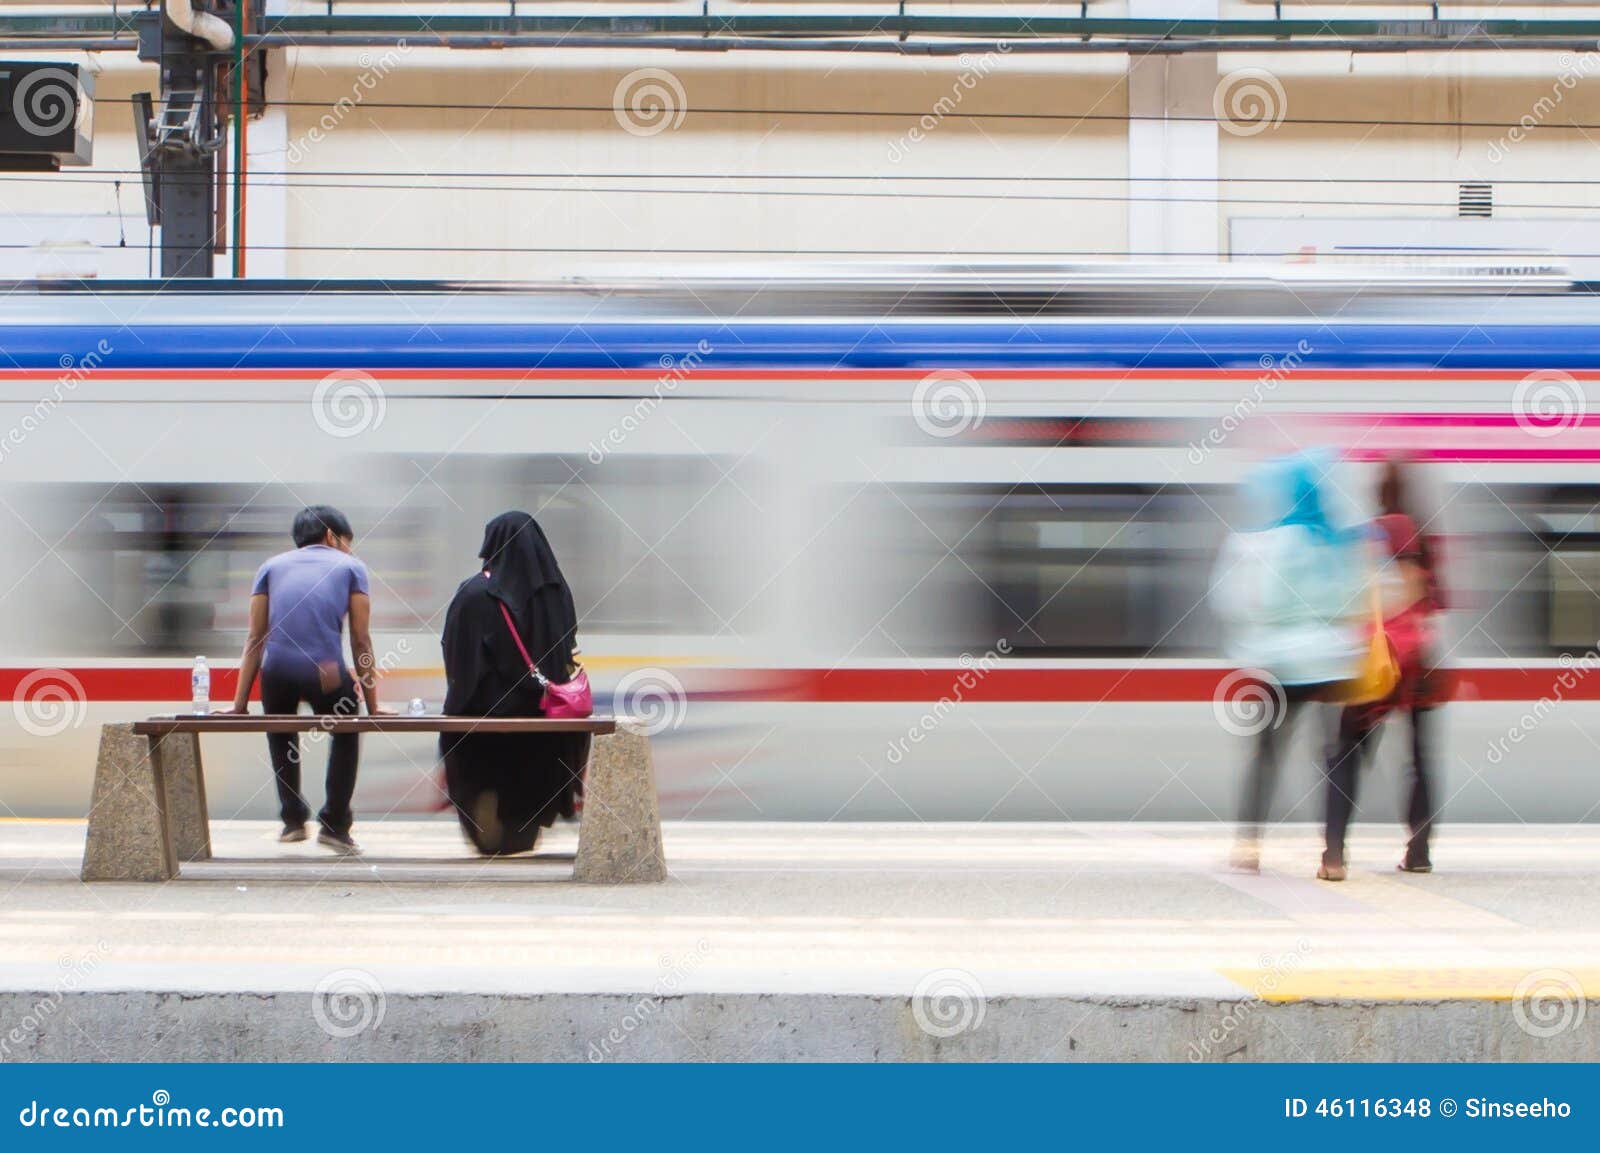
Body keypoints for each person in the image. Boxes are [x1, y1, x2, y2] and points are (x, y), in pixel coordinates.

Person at [1211, 450, 1365, 874]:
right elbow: (1362, 599)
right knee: (1337, 757)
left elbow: (1235, 601)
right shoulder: (1341, 541)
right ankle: (1334, 856)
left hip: (1278, 663)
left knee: (1266, 754)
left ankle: (1249, 846)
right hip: (1335, 662)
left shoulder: (1261, 544)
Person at [227, 505, 388, 854]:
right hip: (326, 672)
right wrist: (373, 707)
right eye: (347, 541)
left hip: (276, 674)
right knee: (346, 731)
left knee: (281, 734)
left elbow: (255, 638)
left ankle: (292, 820)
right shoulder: (352, 567)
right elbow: (361, 640)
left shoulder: (269, 567)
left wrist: (239, 706)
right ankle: (335, 824)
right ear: (332, 535)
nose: (348, 549)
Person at [1321, 457, 1447, 880]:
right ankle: (1420, 850)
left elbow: (1349, 595)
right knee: (1419, 759)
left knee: (1346, 756)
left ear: (1378, 493)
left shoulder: (1368, 535)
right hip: (1416, 664)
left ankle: (1334, 856)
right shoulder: (1428, 536)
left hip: (1374, 660)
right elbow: (1438, 600)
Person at [439, 511, 588, 856]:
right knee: (540, 754)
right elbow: (568, 649)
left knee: (461, 743)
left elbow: (455, 653)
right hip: (541, 714)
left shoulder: (475, 593)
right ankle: (524, 827)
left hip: (482, 713)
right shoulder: (557, 593)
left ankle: (485, 819)